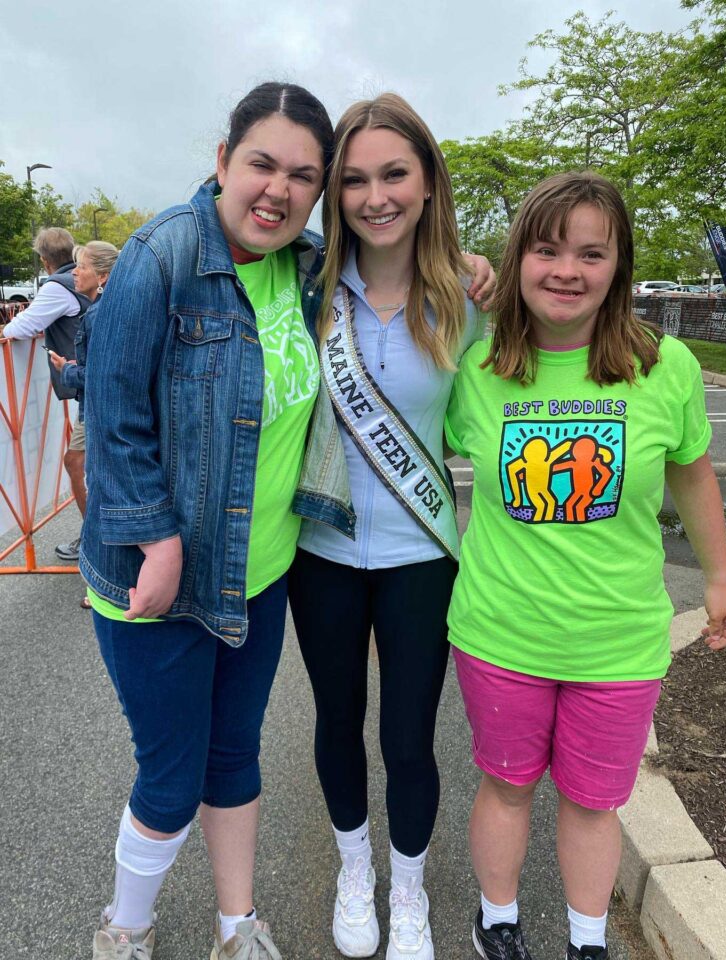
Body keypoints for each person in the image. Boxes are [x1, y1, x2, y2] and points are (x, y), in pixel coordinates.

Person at [444, 172, 726, 960]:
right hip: (501, 634)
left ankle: (587, 940)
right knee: (508, 786)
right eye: (546, 250)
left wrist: (717, 578)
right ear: (518, 259)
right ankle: (497, 920)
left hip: (619, 642)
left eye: (591, 253)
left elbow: (693, 473)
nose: (566, 270)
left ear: (618, 267)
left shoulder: (665, 365)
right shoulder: (477, 371)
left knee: (593, 800)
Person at [79, 82, 339, 960]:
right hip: (159, 579)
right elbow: (112, 415)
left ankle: (238, 926)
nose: (279, 190)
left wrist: (469, 266)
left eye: (303, 176)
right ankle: (126, 927)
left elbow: (399, 255)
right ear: (223, 160)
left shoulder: (305, 266)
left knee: (234, 754)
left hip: (260, 573)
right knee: (172, 770)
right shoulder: (163, 254)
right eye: (262, 164)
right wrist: (154, 536)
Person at [288, 93, 489, 960]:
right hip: (320, 550)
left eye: (395, 174)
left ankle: (407, 887)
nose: (376, 197)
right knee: (337, 719)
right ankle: (352, 866)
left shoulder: (470, 300)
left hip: (420, 555)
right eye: (355, 179)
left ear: (429, 180)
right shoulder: (302, 289)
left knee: (409, 737)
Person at [1, 226, 92, 561]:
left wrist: (9, 327)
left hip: (92, 387)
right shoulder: (80, 282)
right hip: (93, 386)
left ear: (44, 261)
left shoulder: (59, 286)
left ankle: (96, 541)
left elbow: (21, 326)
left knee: (77, 462)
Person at [49, 240, 120, 607]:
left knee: (104, 491)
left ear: (103, 275)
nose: (74, 272)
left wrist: (68, 370)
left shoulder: (99, 314)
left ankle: (105, 580)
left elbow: (104, 376)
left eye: (82, 266)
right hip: (101, 412)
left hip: (101, 412)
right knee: (84, 471)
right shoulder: (108, 307)